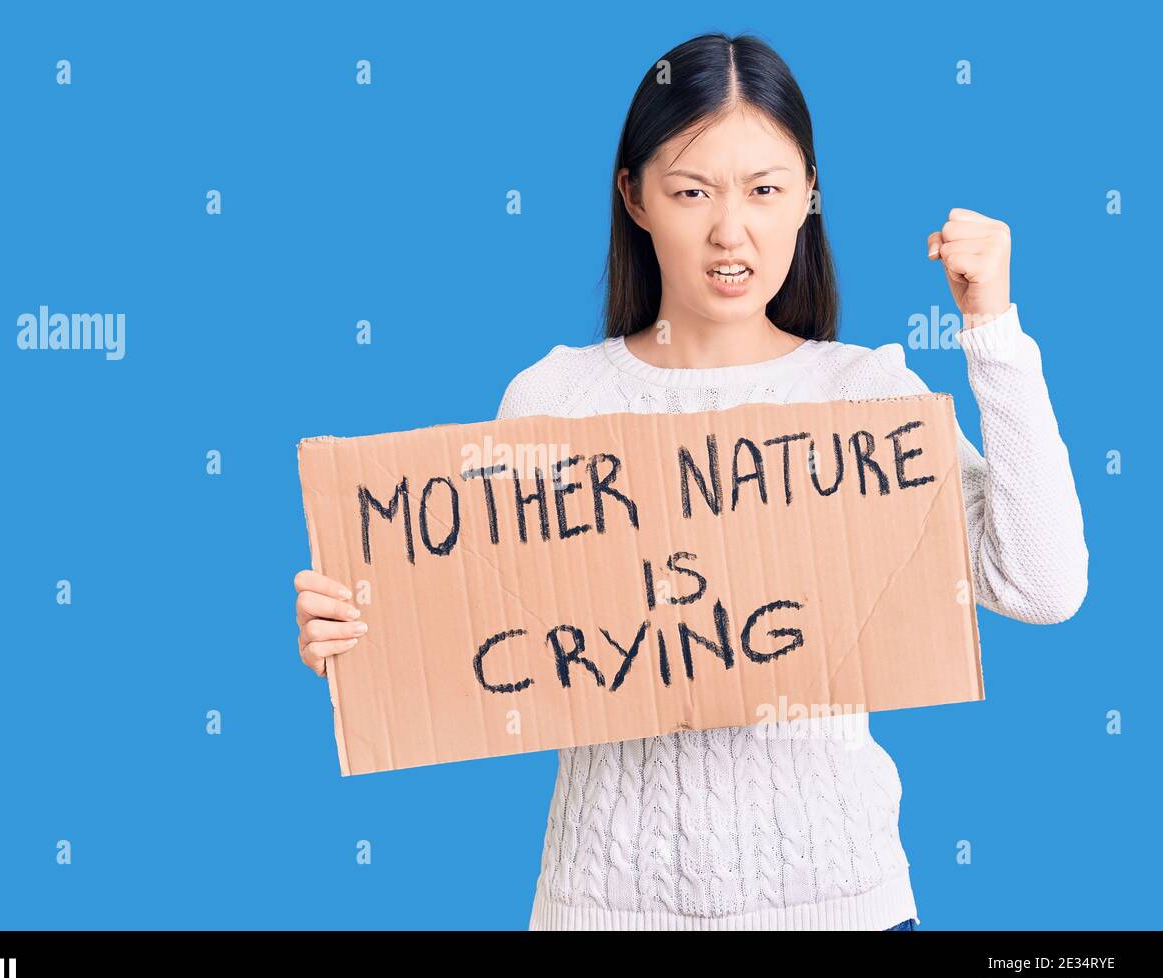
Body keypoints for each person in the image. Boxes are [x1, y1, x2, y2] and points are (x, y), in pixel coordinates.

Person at [294, 31, 1088, 930]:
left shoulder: (866, 396)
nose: (729, 229)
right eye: (690, 190)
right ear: (633, 196)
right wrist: (360, 629)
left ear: (810, 197)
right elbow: (487, 632)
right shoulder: (554, 400)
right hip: (605, 907)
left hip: (845, 907)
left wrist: (992, 331)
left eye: (764, 190)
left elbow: (1042, 582)